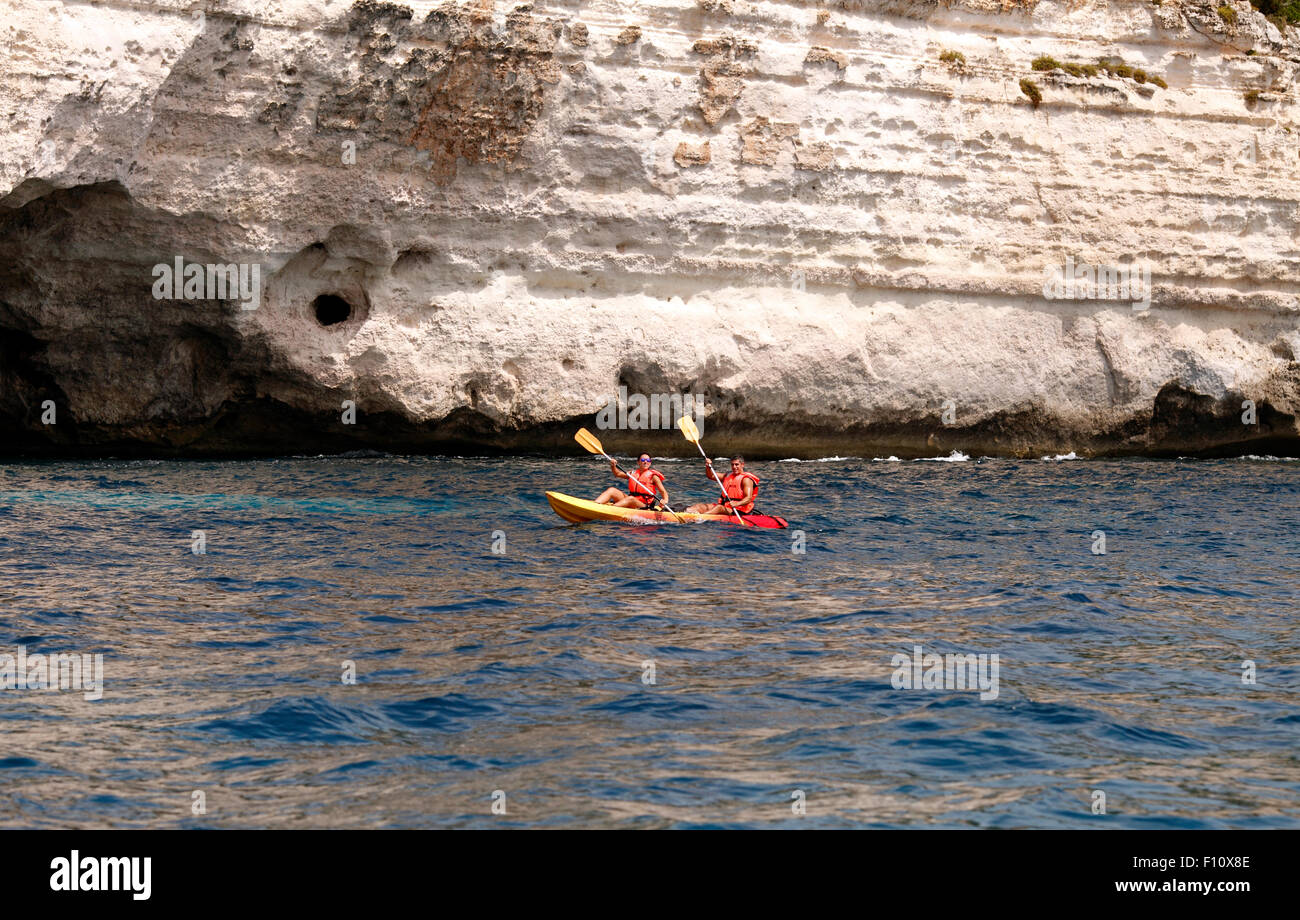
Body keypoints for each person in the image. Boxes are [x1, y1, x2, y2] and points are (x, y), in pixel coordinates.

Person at [686, 455, 760, 516]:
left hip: (739, 510)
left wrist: (737, 503)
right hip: (726, 506)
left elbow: (748, 498)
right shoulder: (727, 475)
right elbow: (711, 476)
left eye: (736, 464)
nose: (734, 467)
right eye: (732, 464)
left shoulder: (746, 479)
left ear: (742, 465)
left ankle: (700, 517)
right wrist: (708, 466)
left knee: (719, 508)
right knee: (701, 506)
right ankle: (686, 513)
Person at [594, 453, 669, 509]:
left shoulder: (654, 476)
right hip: (631, 500)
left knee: (631, 499)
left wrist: (664, 501)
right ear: (638, 462)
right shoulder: (632, 473)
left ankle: (609, 510)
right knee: (612, 490)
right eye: (643, 460)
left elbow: (663, 492)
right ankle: (595, 505)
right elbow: (617, 474)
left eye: (648, 460)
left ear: (650, 462)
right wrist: (613, 466)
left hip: (644, 505)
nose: (645, 462)